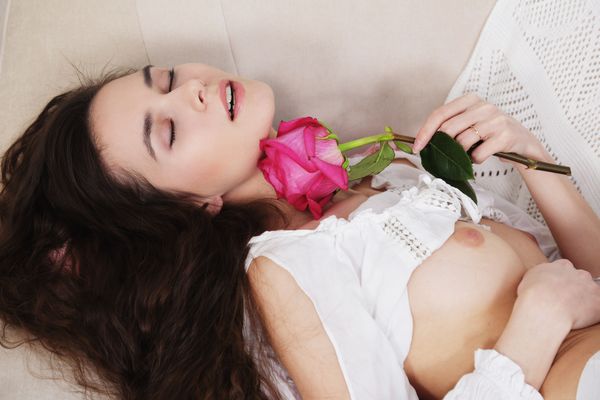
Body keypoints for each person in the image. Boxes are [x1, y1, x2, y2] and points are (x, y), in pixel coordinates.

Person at [0, 62, 599, 400]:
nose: (192, 91)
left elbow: (588, 287)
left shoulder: (390, 175)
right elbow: (556, 309)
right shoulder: (284, 268)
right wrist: (535, 323)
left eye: (168, 77)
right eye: (170, 132)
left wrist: (530, 157)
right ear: (190, 208)